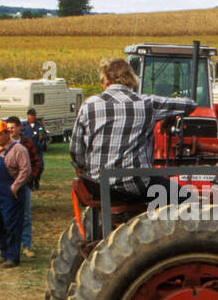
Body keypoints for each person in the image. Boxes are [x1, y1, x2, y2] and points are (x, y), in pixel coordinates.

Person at [70, 58, 197, 199]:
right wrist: (169, 117)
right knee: (189, 199)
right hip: (136, 185)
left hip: (98, 186)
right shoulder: (147, 103)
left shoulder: (88, 105)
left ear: (106, 80)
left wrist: (81, 167)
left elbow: (76, 152)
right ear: (131, 79)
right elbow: (190, 104)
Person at [0, 119, 31, 268]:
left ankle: (13, 257)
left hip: (11, 194)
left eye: (0, 134)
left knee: (12, 225)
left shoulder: (18, 149)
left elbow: (25, 170)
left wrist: (15, 187)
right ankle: (4, 253)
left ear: (7, 133)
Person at [6, 115, 41, 255]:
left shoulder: (27, 143)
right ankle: (11, 245)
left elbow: (36, 163)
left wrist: (29, 178)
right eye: (7, 129)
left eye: (12, 128)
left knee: (25, 216)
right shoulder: (5, 144)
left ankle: (26, 246)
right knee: (9, 216)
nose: (10, 131)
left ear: (19, 128)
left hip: (23, 186)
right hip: (8, 186)